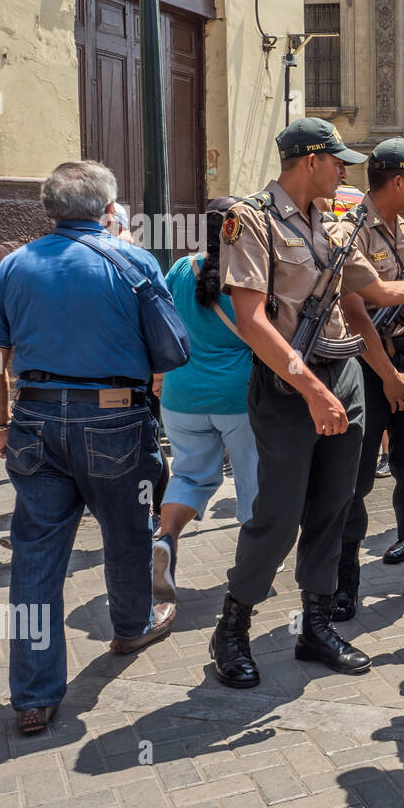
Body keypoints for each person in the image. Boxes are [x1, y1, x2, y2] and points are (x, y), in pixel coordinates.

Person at [208, 118, 404, 690]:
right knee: (280, 515)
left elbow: (375, 294)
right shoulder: (251, 222)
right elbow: (251, 321)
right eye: (337, 162)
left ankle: (315, 624)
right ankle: (233, 625)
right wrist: (312, 390)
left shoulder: (331, 227)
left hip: (344, 377)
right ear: (310, 162)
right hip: (289, 388)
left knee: (335, 505)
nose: (344, 171)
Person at [0, 160, 177, 735]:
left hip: (35, 421)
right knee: (128, 531)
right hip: (114, 418)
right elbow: (171, 351)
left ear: (49, 209)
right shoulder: (134, 260)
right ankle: (132, 624)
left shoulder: (15, 265)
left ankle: (34, 697)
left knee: (36, 556)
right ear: (108, 209)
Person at [333, 143, 404, 621]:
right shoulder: (348, 230)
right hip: (367, 367)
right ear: (398, 181)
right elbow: (356, 311)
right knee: (353, 482)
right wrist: (387, 377)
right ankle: (345, 581)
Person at [153, 197, 259, 603]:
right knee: (252, 477)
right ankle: (253, 564)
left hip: (181, 396)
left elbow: (160, 321)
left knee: (189, 476)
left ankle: (165, 540)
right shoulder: (250, 273)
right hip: (237, 397)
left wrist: (158, 374)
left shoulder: (181, 268)